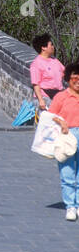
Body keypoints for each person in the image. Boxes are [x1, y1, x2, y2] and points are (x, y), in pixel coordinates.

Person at [45, 62, 79, 220]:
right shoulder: (61, 97)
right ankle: (70, 206)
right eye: (74, 77)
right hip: (66, 135)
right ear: (69, 79)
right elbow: (50, 115)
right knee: (67, 173)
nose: (77, 80)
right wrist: (61, 122)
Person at [31, 34, 66, 109]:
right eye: (51, 45)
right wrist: (40, 100)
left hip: (58, 95)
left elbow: (65, 73)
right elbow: (35, 84)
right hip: (45, 96)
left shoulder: (55, 60)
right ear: (43, 48)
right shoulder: (36, 64)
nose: (53, 47)